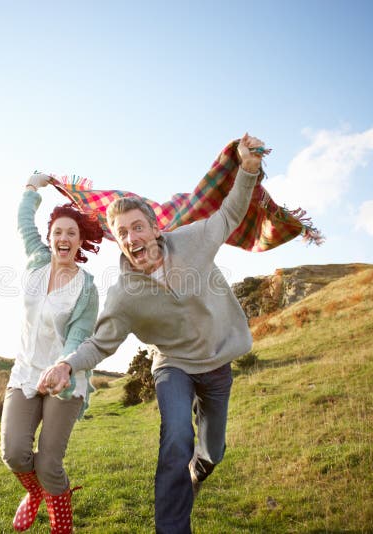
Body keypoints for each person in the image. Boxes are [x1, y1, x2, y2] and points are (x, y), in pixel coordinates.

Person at [37, 133, 266, 533]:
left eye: (137, 227)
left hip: (216, 363)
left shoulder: (193, 242)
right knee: (176, 435)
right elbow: (100, 343)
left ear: (155, 229)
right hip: (173, 365)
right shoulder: (125, 294)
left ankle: (199, 469)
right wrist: (66, 365)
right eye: (122, 233)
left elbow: (230, 214)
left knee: (212, 452)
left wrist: (248, 169)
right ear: (118, 241)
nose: (132, 238)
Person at [0, 172, 104, 534]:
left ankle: (62, 526)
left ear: (80, 242)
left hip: (65, 379)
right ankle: (35, 494)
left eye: (71, 233)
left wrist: (63, 366)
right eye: (57, 232)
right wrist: (31, 188)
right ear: (49, 238)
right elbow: (22, 221)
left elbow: (79, 334)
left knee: (48, 464)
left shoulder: (86, 288)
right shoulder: (36, 260)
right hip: (26, 372)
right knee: (14, 452)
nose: (63, 238)